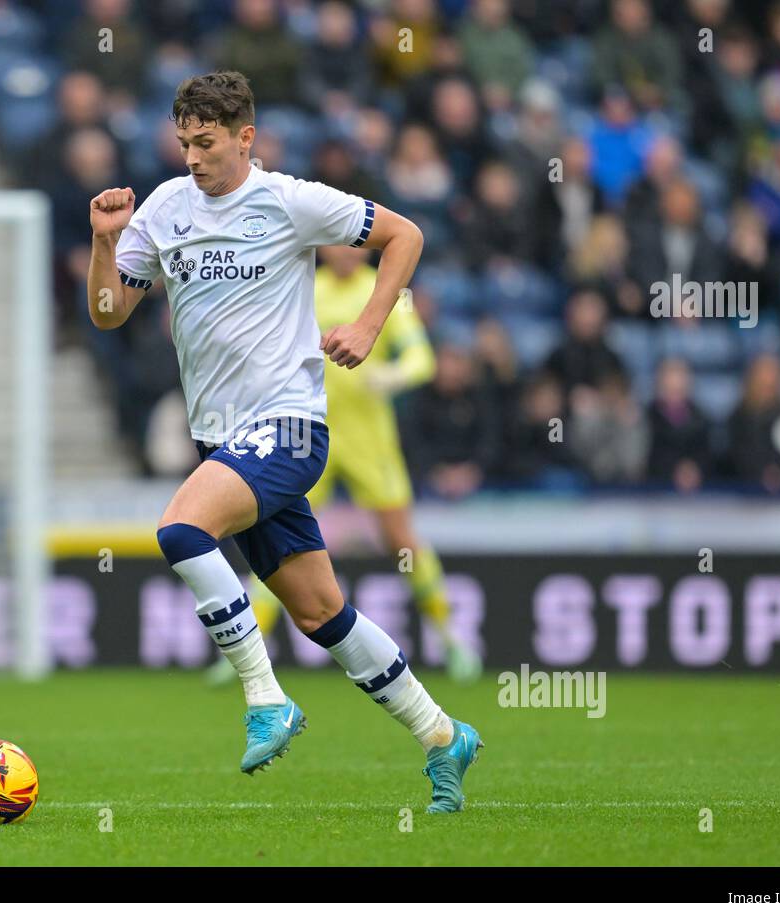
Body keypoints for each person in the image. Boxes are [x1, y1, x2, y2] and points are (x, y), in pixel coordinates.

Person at [86, 71, 482, 812]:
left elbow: (406, 235)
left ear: (245, 138)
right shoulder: (167, 207)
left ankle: (264, 695)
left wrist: (368, 325)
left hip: (289, 426)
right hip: (223, 442)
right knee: (321, 612)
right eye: (183, 144)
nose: (193, 158)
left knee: (179, 529)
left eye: (206, 143)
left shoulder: (289, 201)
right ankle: (441, 735)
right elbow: (109, 312)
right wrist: (104, 245)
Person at [204, 242, 483, 688]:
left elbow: (421, 359)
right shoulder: (305, 287)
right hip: (305, 434)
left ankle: (452, 639)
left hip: (368, 439)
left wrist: (391, 376)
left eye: (353, 244)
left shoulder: (381, 290)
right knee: (277, 540)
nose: (345, 252)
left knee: (400, 541)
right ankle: (244, 653)